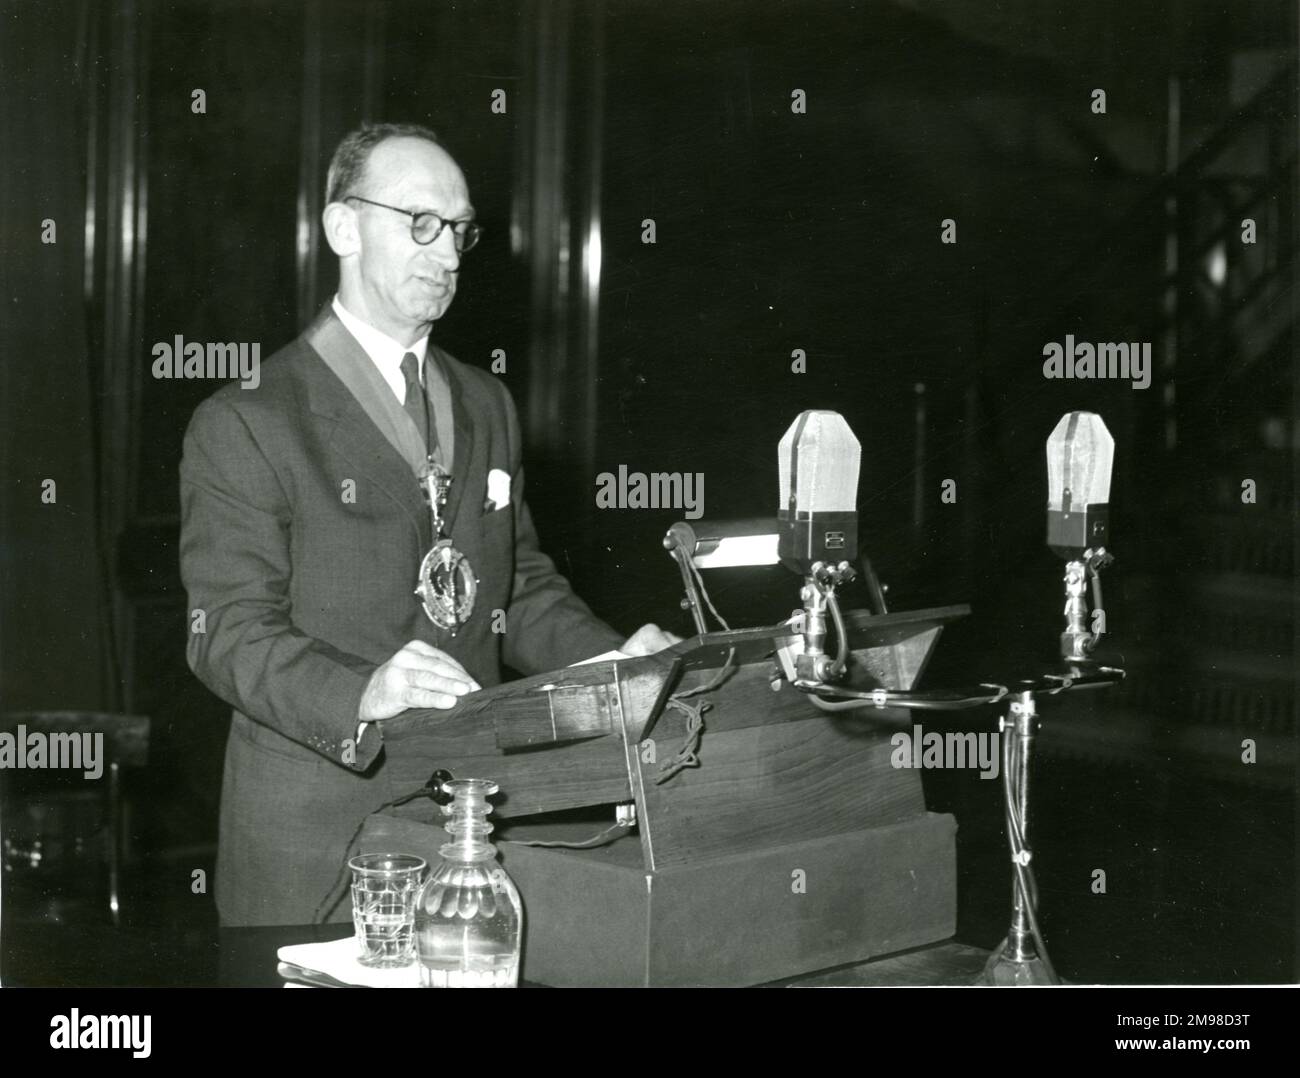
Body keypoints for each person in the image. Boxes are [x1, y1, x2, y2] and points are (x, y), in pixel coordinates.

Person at [180, 122, 677, 926]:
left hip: (467, 825)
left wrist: (614, 662)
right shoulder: (248, 417)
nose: (447, 253)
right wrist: (361, 692)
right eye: (419, 223)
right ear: (343, 227)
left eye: (459, 230)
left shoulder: (486, 401)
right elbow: (224, 631)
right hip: (316, 835)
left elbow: (520, 588)